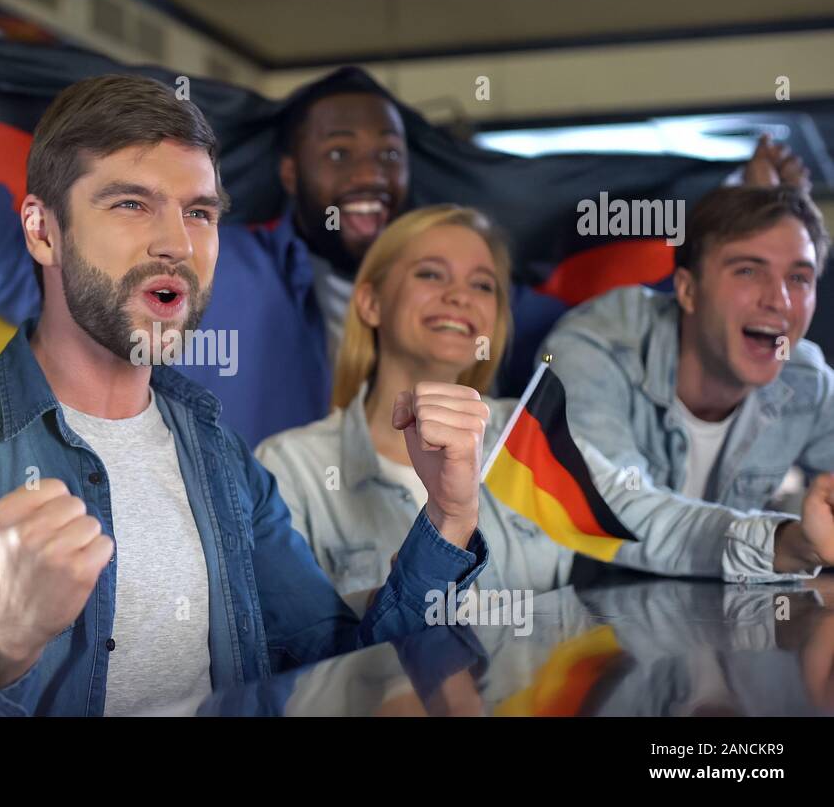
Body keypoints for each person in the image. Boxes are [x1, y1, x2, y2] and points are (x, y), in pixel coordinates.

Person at [0, 0, 809, 448]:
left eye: (388, 155)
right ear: (288, 171)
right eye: (339, 152)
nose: (368, 173)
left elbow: (622, 324)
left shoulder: (461, 295)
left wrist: (744, 218)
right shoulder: (202, 273)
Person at [0, 73, 493, 717]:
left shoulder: (223, 456)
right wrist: (8, 640)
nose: (178, 243)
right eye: (131, 204)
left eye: (199, 212)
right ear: (43, 232)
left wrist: (448, 516)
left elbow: (344, 675)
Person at [258, 204, 834, 610]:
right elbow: (294, 645)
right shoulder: (293, 468)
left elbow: (650, 523)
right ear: (371, 302)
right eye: (431, 275)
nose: (460, 296)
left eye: (484, 285)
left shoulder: (527, 431)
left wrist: (792, 544)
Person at [543, 185, 834, 580]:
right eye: (748, 271)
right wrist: (784, 544)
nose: (779, 300)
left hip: (716, 627)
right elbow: (609, 509)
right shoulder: (601, 344)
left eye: (799, 278)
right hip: (582, 623)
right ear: (687, 289)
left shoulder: (806, 381)